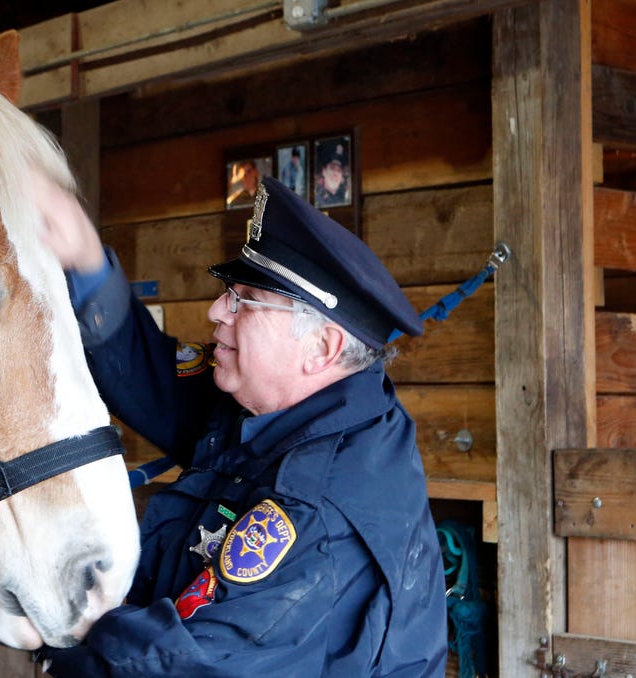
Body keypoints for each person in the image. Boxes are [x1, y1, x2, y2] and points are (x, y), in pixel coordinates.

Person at [32, 172, 447, 676]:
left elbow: (180, 666)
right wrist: (85, 262)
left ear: (321, 348)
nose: (215, 311)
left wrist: (67, 621)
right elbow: (157, 379)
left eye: (244, 300)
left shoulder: (318, 515)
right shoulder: (280, 405)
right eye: (228, 291)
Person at [314, 141, 350, 208]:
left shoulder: (347, 196)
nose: (335, 173)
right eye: (332, 168)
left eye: (339, 170)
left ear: (341, 176)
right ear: (324, 172)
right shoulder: (316, 198)